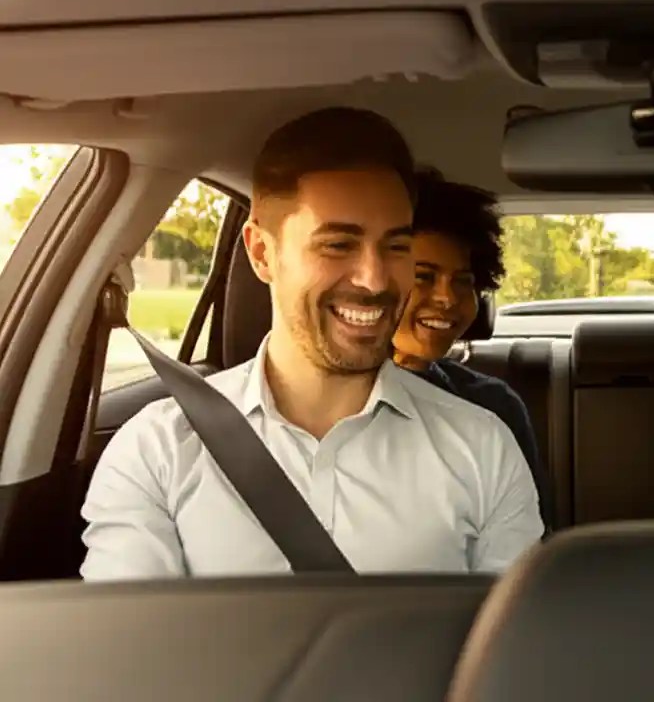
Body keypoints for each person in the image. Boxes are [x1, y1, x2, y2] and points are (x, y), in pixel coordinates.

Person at [81, 107, 542, 579]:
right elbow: (132, 649)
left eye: (396, 246)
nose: (374, 279)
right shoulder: (158, 451)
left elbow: (517, 643)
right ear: (262, 253)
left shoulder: (482, 446)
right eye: (338, 245)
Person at [390, 170, 552, 528]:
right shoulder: (327, 401)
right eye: (423, 277)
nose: (448, 298)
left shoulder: (492, 404)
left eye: (464, 282)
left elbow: (531, 546)